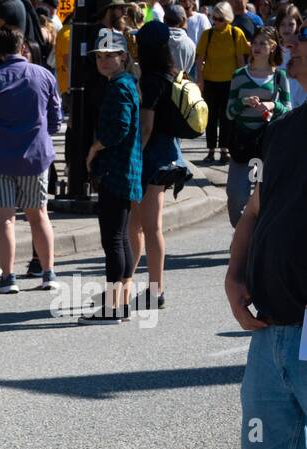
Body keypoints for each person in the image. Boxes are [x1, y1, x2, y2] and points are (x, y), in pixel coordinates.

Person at [192, 22, 307, 449]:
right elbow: (255, 211)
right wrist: (235, 276)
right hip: (274, 334)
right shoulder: (284, 131)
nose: (293, 44)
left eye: (303, 35)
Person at [0, 25, 61, 293]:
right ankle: (48, 272)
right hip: (35, 156)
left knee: (5, 218)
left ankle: (8, 277)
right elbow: (55, 120)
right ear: (22, 47)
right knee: (39, 215)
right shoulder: (43, 75)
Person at [128, 20, 190, 312]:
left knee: (147, 227)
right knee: (139, 225)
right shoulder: (171, 74)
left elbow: (147, 126)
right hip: (168, 155)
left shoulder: (151, 79)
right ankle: (132, 283)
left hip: (152, 158)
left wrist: (134, 157)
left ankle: (154, 290)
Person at [83, 30, 143, 323]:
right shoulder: (125, 82)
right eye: (100, 56)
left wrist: (94, 147)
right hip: (124, 169)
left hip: (116, 170)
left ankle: (113, 307)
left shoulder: (120, 86)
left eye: (110, 55)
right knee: (121, 239)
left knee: (114, 240)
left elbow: (118, 128)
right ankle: (122, 303)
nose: (104, 61)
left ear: (123, 56)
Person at [225, 27, 291, 224]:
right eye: (255, 42)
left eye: (263, 43)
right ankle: (241, 234)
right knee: (237, 196)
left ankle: (252, 240)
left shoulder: (280, 77)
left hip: (263, 146)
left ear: (272, 47)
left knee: (258, 196)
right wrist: (243, 102)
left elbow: (288, 110)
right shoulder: (239, 75)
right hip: (242, 143)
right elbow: (229, 112)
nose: (257, 47)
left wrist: (272, 105)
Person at [198, 2, 252, 163]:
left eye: (220, 18)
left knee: (227, 117)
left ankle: (225, 149)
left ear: (228, 18)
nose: (216, 21)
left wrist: (243, 82)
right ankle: (210, 150)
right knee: (211, 117)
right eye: (214, 18)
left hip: (230, 82)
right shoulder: (207, 35)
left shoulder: (236, 33)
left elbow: (241, 60)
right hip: (210, 82)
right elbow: (199, 59)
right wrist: (199, 80)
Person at [165, 3, 197, 76]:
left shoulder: (157, 40)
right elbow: (187, 71)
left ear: (164, 19)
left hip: (159, 85)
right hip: (180, 85)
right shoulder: (190, 44)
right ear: (184, 20)